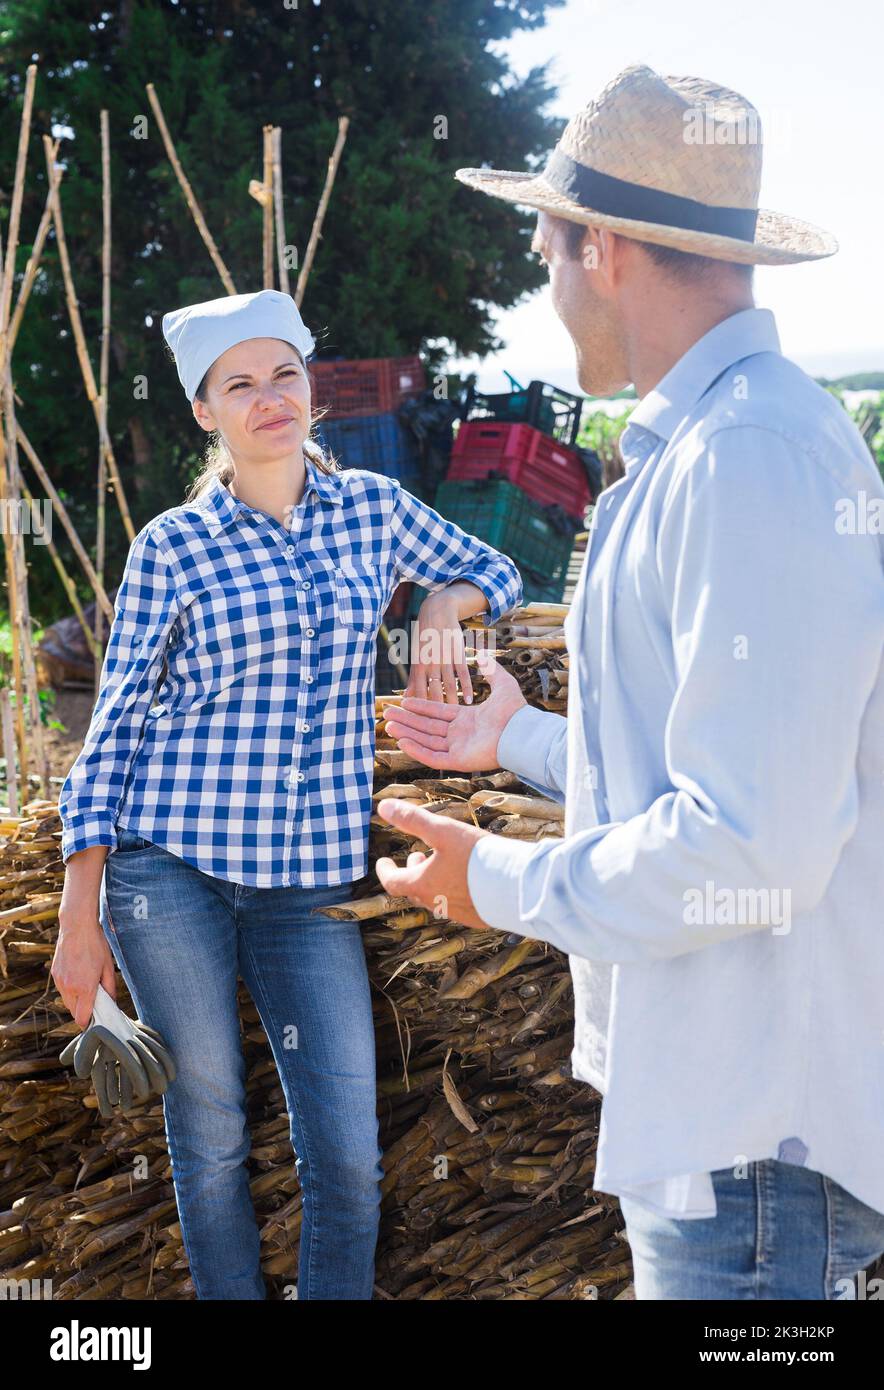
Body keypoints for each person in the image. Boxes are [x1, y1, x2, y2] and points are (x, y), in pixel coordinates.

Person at [375, 65, 884, 1300]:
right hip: (735, 1150)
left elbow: (750, 848)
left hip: (755, 1161)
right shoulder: (720, 444)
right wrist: (524, 742)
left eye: (544, 249)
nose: (540, 285)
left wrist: (493, 879)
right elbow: (703, 758)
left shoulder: (744, 457)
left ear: (598, 247)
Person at [52, 288, 523, 1300]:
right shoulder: (172, 547)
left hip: (308, 879)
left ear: (311, 391)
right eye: (240, 384)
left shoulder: (373, 511)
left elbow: (497, 567)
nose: (270, 398)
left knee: (346, 1153)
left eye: (285, 375)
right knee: (212, 1137)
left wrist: (444, 599)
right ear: (204, 412)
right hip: (167, 870)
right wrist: (76, 918)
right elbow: (116, 728)